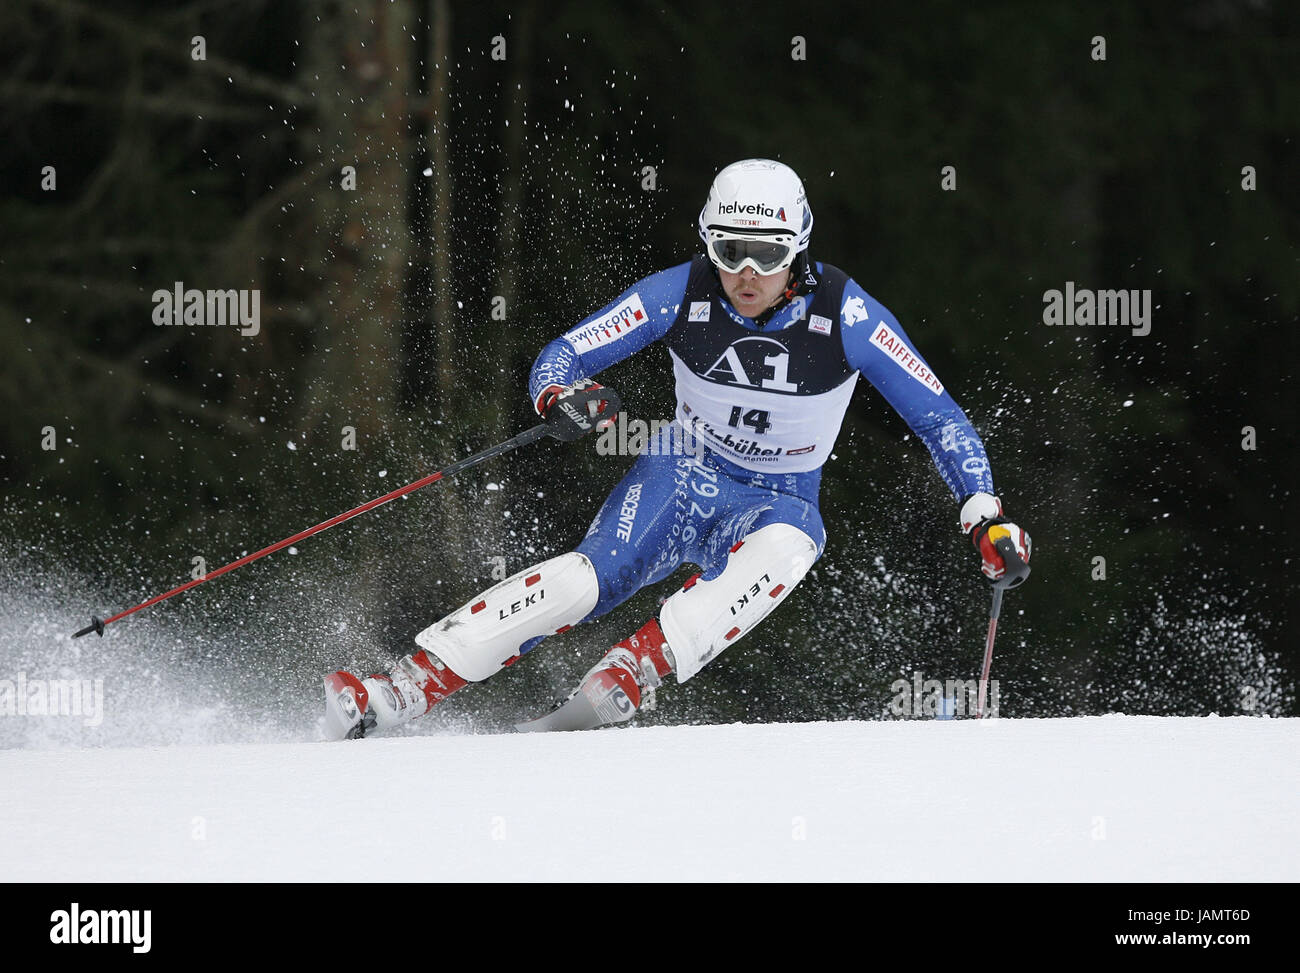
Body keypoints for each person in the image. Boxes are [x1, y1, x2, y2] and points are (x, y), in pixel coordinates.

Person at [323, 158, 1031, 739]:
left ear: (799, 250)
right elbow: (567, 351)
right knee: (581, 582)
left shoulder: (846, 315)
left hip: (779, 501)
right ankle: (398, 691)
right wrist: (558, 394)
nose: (747, 273)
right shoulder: (681, 295)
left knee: (798, 542)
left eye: (768, 254)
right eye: (729, 251)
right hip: (684, 472)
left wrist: (984, 512)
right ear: (708, 245)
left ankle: (625, 678)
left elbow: (941, 419)